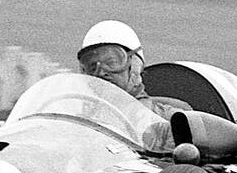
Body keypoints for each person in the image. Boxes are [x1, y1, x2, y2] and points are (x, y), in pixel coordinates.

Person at [77, 20, 182, 150]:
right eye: (92, 66)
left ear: (134, 65)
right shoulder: (75, 121)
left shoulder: (170, 122)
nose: (101, 72)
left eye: (112, 62)